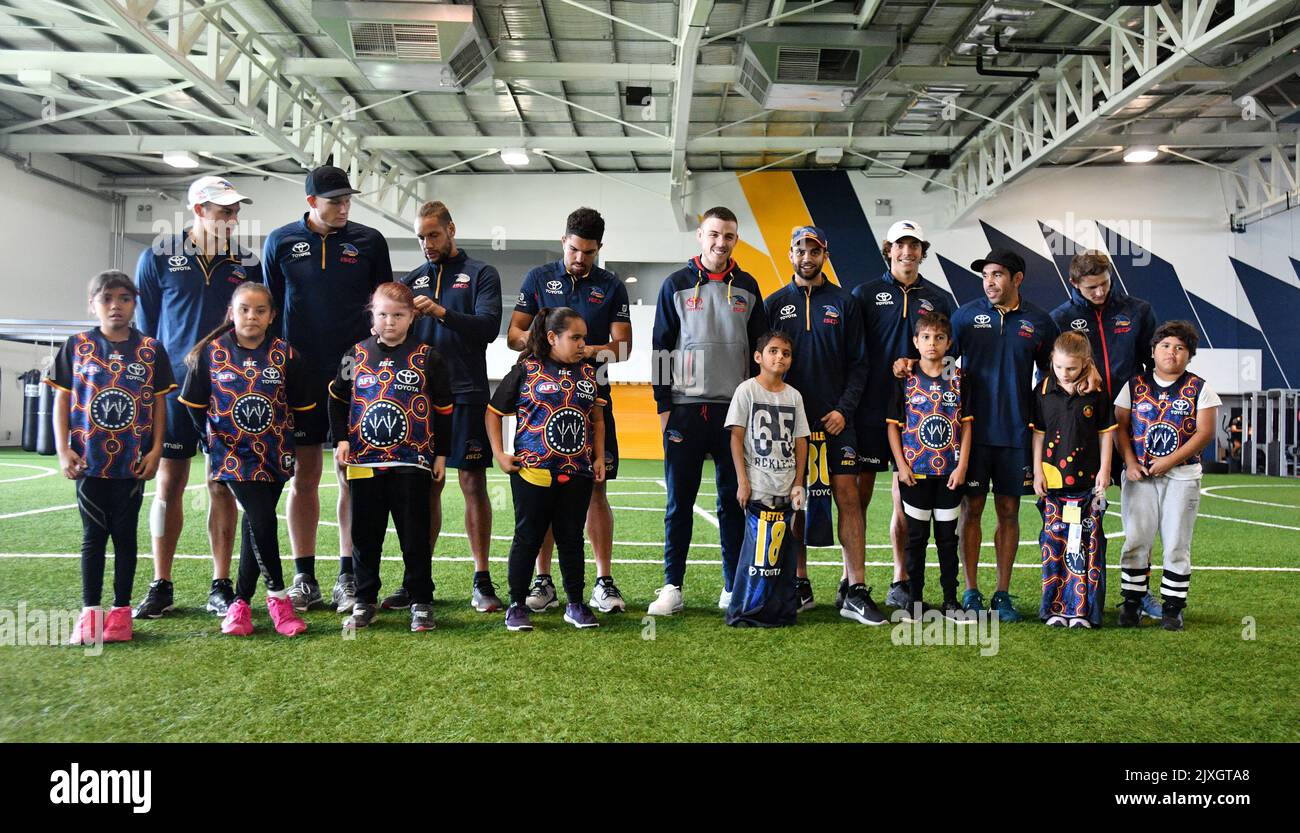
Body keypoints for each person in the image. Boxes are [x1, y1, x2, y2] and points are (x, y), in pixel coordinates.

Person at [263, 166, 393, 615]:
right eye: (334, 201)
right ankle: (304, 576)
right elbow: (270, 311)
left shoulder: (370, 241)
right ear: (311, 202)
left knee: (349, 477)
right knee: (304, 477)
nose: (343, 208)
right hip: (297, 377)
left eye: (347, 200)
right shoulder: (279, 242)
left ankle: (347, 575)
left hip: (356, 379)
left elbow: (385, 310)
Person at [133, 176, 259, 619]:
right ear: (198, 210)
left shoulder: (246, 263)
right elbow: (145, 332)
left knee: (220, 485)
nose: (233, 218)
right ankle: (160, 583)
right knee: (168, 484)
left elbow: (255, 330)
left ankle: (220, 584)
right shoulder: (158, 257)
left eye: (236, 211)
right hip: (172, 392)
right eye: (225, 210)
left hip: (227, 392)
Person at [508, 208, 630, 614]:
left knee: (596, 487)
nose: (581, 258)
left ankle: (603, 581)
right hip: (540, 402)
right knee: (542, 489)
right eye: (575, 249)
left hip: (589, 399)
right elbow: (513, 335)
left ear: (599, 249)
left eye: (589, 252)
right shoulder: (538, 278)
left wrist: (583, 350)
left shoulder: (611, 286)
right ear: (564, 241)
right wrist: (549, 345)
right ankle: (542, 582)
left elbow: (624, 348)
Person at [648, 206, 767, 616]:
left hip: (735, 412)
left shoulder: (749, 287)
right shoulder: (675, 285)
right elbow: (661, 346)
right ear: (701, 236)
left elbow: (759, 353)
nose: (721, 242)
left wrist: (757, 404)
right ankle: (671, 586)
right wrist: (664, 407)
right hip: (684, 410)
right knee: (679, 503)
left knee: (733, 501)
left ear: (736, 239)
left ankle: (733, 585)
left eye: (729, 236)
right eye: (714, 234)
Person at [765, 225, 884, 625]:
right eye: (800, 249)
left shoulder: (845, 303)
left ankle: (855, 588)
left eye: (814, 250)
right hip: (790, 424)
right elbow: (766, 364)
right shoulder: (774, 303)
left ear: (824, 255)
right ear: (790, 253)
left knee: (849, 500)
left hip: (837, 422)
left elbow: (859, 363)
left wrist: (844, 410)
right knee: (795, 501)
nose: (807, 256)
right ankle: (800, 584)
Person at [180, 282, 313, 637]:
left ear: (271, 316)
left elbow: (301, 407)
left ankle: (240, 605)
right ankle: (279, 600)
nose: (251, 316)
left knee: (257, 524)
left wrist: (282, 437)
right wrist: (215, 438)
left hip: (274, 454)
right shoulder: (212, 352)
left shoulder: (286, 355)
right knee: (262, 519)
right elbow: (193, 406)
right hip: (233, 456)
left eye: (259, 311)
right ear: (232, 312)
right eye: (244, 309)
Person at [50, 270, 174, 644]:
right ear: (93, 305)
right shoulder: (77, 346)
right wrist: (62, 449)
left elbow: (158, 404)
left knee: (124, 536)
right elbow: (61, 399)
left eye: (124, 298)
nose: (115, 306)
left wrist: (155, 450)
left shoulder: (150, 349)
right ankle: (89, 613)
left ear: (134, 303)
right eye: (106, 299)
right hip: (88, 460)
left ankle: (121, 613)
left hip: (131, 463)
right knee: (93, 538)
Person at [395, 200, 504, 613]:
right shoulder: (412, 281)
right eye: (421, 237)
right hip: (421, 400)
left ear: (451, 230)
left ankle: (481, 580)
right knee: (426, 488)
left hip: (467, 393)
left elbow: (489, 329)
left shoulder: (481, 274)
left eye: (433, 235)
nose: (427, 243)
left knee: (472, 483)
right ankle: (418, 581)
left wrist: (441, 312)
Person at [947, 250, 1066, 623]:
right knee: (972, 510)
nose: (990, 281)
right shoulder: (965, 316)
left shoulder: (1040, 322)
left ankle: (1002, 593)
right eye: (986, 275)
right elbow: (942, 365)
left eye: (998, 274)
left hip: (1017, 432)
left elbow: (1055, 375)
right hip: (973, 433)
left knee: (1009, 511)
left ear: (1017, 279)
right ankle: (970, 591)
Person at [327, 282, 453, 632]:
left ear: (412, 316)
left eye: (398, 315)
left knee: (414, 535)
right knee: (365, 536)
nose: (389, 322)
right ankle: (365, 600)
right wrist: (340, 440)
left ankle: (421, 600)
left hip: (412, 462)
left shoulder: (429, 357)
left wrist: (440, 454)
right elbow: (336, 400)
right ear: (372, 315)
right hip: (364, 463)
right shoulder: (356, 355)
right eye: (382, 314)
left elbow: (444, 411)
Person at [1049, 249, 1162, 620]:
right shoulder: (1061, 318)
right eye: (1091, 287)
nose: (1099, 292)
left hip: (1133, 428)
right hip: (1082, 433)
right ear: (1075, 284)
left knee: (1140, 516)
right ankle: (1071, 592)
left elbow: (1154, 364)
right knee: (1077, 517)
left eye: (1104, 284)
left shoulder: (1138, 311)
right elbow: (1052, 374)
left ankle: (1138, 592)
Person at [852, 219, 956, 613]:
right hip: (868, 409)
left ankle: (900, 579)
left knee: (902, 499)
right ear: (889, 250)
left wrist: (915, 364)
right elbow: (853, 351)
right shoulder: (865, 294)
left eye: (914, 246)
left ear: (921, 252)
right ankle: (853, 579)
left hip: (914, 420)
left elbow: (948, 362)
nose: (907, 253)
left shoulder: (939, 298)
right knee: (856, 499)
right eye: (901, 246)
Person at [487, 307, 608, 632]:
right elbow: (493, 412)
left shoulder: (589, 373)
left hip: (578, 473)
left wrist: (598, 458)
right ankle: (516, 605)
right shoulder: (526, 369)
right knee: (528, 537)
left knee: (571, 539)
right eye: (576, 337)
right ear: (552, 337)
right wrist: (500, 453)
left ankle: (576, 604)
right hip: (533, 472)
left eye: (584, 337)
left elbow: (597, 420)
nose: (584, 344)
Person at [1114, 321, 1219, 631]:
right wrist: (1130, 462)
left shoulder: (1200, 388)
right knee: (1136, 539)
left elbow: (1205, 433)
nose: (1172, 352)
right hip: (1140, 476)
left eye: (1180, 347)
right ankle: (1132, 603)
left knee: (1176, 542)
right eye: (1165, 346)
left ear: (1189, 354)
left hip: (1182, 476)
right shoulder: (1134, 385)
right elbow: (1119, 426)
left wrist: (1169, 461)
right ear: (1153, 350)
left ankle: (1173, 608)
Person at [886, 313, 972, 624]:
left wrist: (962, 466)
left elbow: (966, 426)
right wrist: (901, 466)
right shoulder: (904, 378)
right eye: (925, 337)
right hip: (915, 473)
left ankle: (951, 601)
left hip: (950, 474)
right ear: (915, 342)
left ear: (949, 343)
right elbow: (893, 427)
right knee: (916, 538)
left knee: (948, 539)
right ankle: (916, 602)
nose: (932, 344)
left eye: (938, 338)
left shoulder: (959, 378)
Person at [1030, 331, 1116, 628]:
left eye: (1071, 368)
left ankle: (1083, 611)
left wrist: (1105, 471)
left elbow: (1106, 434)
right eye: (1058, 367)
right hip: (1052, 482)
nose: (1064, 374)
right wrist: (1037, 471)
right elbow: (1038, 433)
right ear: (1051, 362)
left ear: (1086, 364)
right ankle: (1054, 608)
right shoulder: (1041, 391)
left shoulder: (1097, 392)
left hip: (1088, 483)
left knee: (1087, 547)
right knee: (1054, 544)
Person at [724, 330, 809, 627]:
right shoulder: (747, 391)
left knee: (783, 553)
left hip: (786, 486)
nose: (779, 357)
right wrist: (743, 481)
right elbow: (736, 437)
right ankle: (748, 609)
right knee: (759, 554)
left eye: (785, 353)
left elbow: (801, 440)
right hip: (759, 484)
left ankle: (779, 610)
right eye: (773, 351)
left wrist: (799, 482)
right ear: (758, 357)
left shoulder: (794, 396)